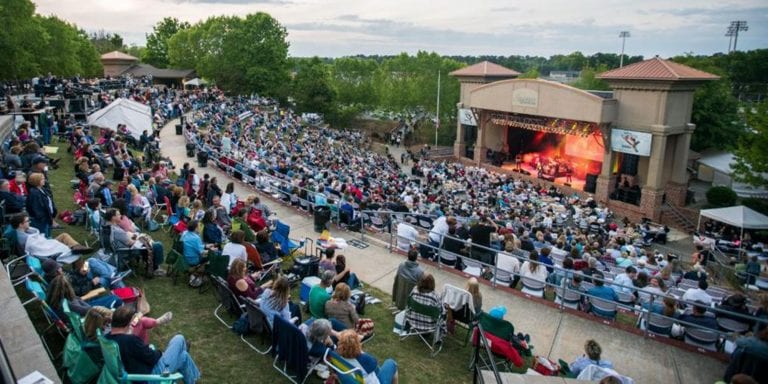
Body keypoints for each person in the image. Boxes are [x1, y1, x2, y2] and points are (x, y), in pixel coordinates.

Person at [105, 306, 200, 384]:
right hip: (150, 376)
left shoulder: (107, 338)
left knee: (183, 356)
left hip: (134, 375)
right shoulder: (130, 340)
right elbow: (152, 358)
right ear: (129, 323)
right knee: (179, 338)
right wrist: (161, 353)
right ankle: (181, 350)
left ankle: (191, 379)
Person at [106, 209, 165, 276]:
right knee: (157, 245)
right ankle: (155, 268)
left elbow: (125, 237)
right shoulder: (116, 230)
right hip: (127, 250)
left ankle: (152, 266)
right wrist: (139, 238)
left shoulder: (111, 227)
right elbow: (130, 243)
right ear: (113, 217)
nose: (120, 216)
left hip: (122, 248)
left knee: (147, 240)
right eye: (118, 214)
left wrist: (135, 236)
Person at [11, 213, 92, 255]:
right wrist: (50, 244)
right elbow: (37, 248)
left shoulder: (22, 231)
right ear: (20, 224)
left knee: (64, 235)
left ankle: (77, 247)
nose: (29, 222)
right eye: (27, 221)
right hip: (45, 249)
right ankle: (77, 249)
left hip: (44, 243)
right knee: (77, 255)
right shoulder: (24, 238)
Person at [25, 172, 56, 237]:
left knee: (48, 236)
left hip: (46, 218)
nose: (44, 180)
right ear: (37, 181)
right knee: (43, 237)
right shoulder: (34, 193)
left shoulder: (42, 189)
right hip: (40, 221)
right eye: (42, 179)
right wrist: (43, 219)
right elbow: (37, 208)